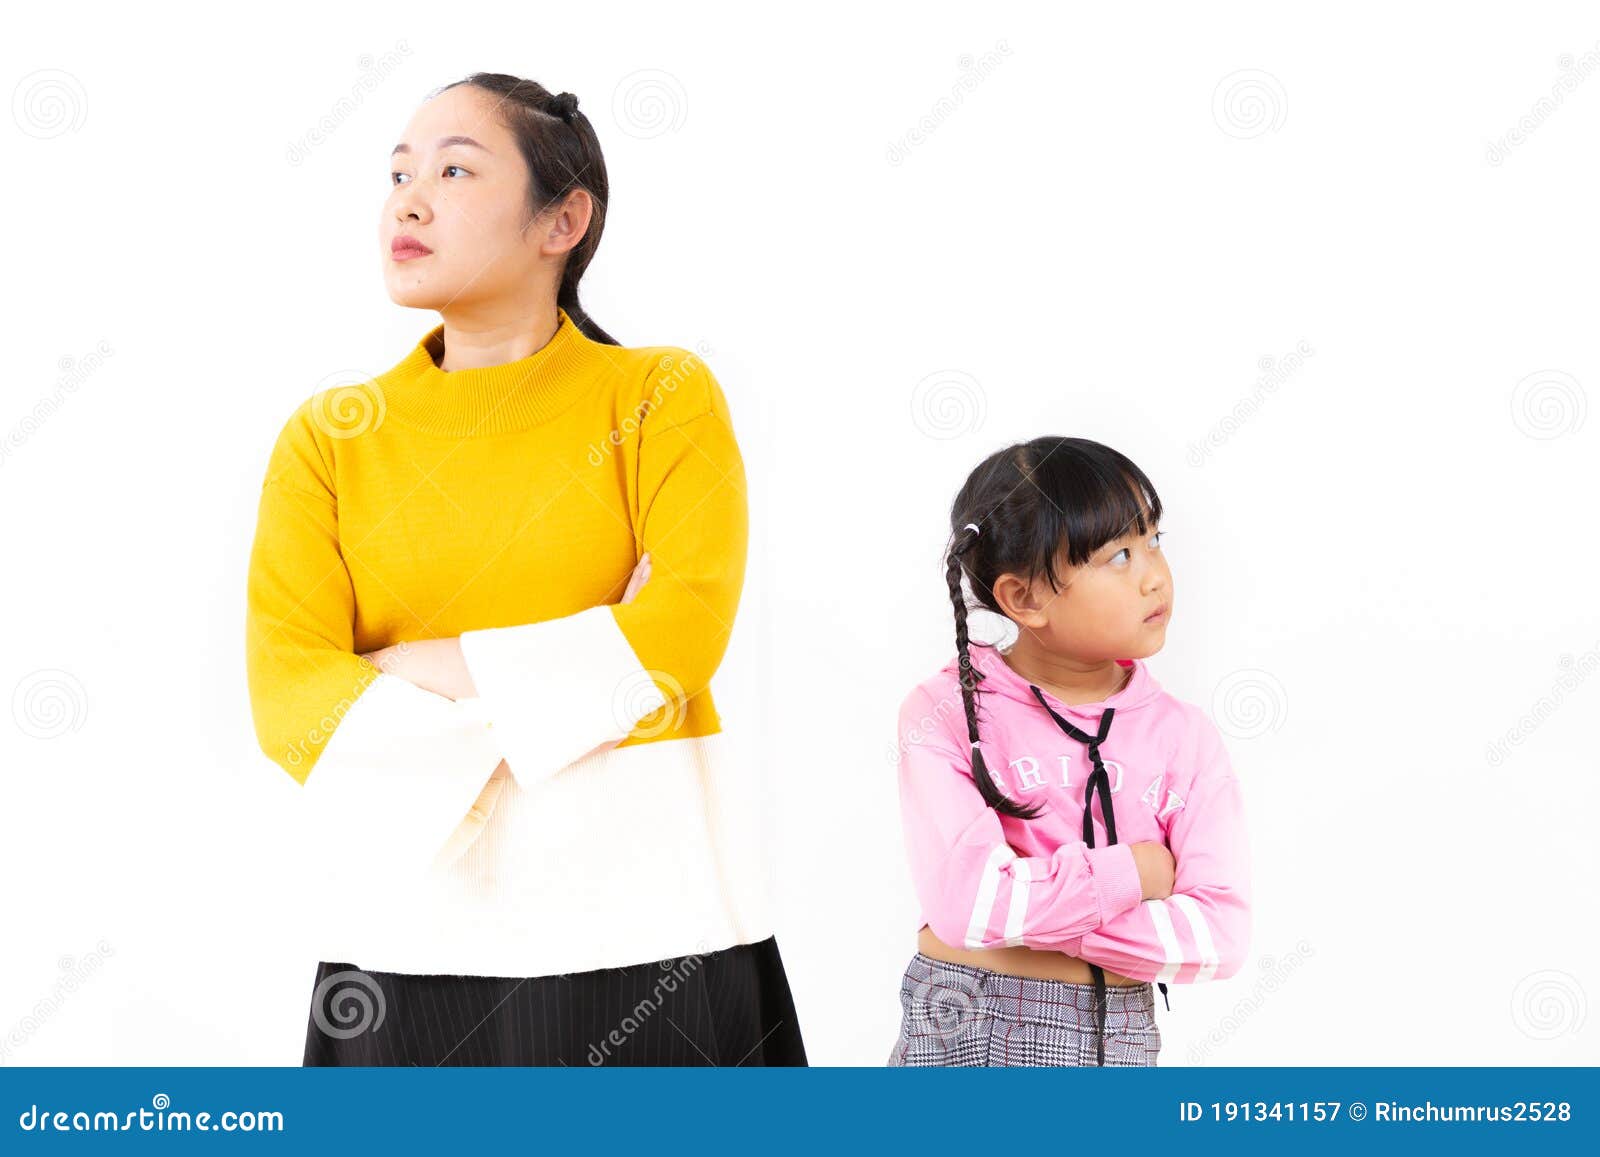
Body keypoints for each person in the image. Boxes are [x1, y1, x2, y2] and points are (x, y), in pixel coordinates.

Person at [245, 72, 805, 1066]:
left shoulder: (658, 394)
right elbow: (289, 701)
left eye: (454, 168)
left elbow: (678, 634)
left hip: (649, 919)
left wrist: (408, 665)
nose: (408, 199)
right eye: (398, 172)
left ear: (563, 220)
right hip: (404, 931)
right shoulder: (330, 439)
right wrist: (588, 655)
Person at [887, 436, 1250, 1066]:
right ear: (1023, 598)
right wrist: (1135, 874)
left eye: (1154, 540)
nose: (1154, 576)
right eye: (1118, 556)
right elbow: (966, 904)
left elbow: (1219, 938)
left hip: (1121, 1038)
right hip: (967, 1025)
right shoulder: (946, 713)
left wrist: (1024, 913)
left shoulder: (1184, 737)